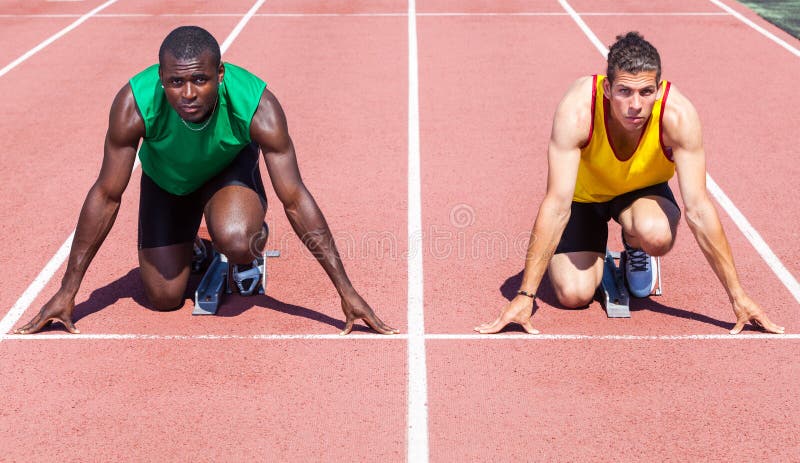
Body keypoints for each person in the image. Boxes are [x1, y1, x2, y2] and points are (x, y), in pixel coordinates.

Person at [15, 26, 397, 336]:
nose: (189, 93)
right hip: (168, 181)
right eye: (176, 82)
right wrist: (68, 291)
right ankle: (197, 248)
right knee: (163, 298)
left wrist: (346, 291)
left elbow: (295, 197)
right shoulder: (134, 104)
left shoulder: (256, 104)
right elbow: (106, 194)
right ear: (161, 77)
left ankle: (249, 236)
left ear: (220, 74)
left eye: (200, 79)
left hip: (226, 172)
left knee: (236, 240)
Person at [476, 32, 783, 335]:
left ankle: (635, 245)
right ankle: (586, 258)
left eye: (646, 92)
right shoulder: (578, 110)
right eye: (624, 91)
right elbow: (556, 204)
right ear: (607, 88)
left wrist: (738, 296)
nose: (635, 104)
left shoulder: (678, 117)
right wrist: (525, 294)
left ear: (659, 89)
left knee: (657, 234)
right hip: (584, 198)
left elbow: (699, 209)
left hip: (640, 193)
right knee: (574, 295)